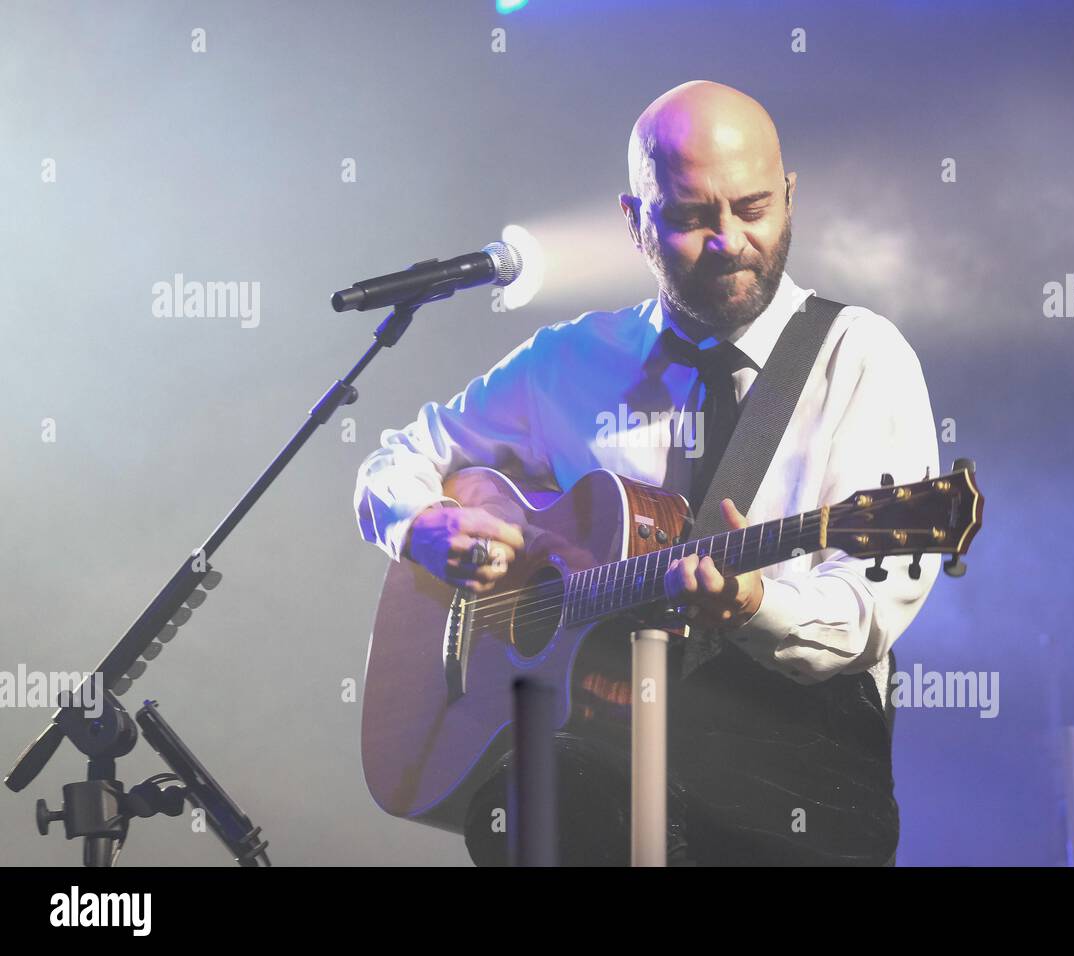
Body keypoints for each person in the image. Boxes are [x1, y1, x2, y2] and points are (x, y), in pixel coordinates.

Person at [354, 80, 940, 865]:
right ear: (635, 221)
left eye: (754, 208)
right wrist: (419, 525)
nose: (730, 239)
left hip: (797, 773)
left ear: (791, 196)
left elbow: (868, 605)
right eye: (693, 217)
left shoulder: (859, 358)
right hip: (595, 766)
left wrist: (754, 601)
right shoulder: (568, 361)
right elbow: (401, 455)